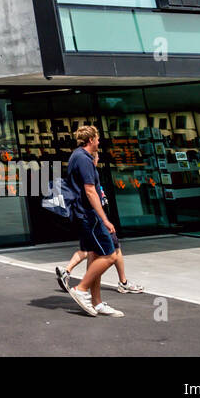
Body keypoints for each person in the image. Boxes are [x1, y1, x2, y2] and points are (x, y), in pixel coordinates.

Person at [56, 150, 143, 295]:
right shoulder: (86, 171)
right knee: (112, 253)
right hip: (95, 219)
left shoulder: (88, 174)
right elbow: (91, 194)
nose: (98, 159)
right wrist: (105, 220)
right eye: (96, 157)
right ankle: (112, 284)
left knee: (90, 251)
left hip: (92, 219)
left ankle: (71, 275)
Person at [59, 126, 124, 317]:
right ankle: (81, 289)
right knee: (111, 255)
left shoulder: (80, 157)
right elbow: (89, 190)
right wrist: (104, 219)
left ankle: (97, 303)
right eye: (97, 139)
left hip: (83, 214)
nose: (99, 142)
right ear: (90, 140)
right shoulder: (82, 158)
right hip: (89, 215)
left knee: (95, 256)